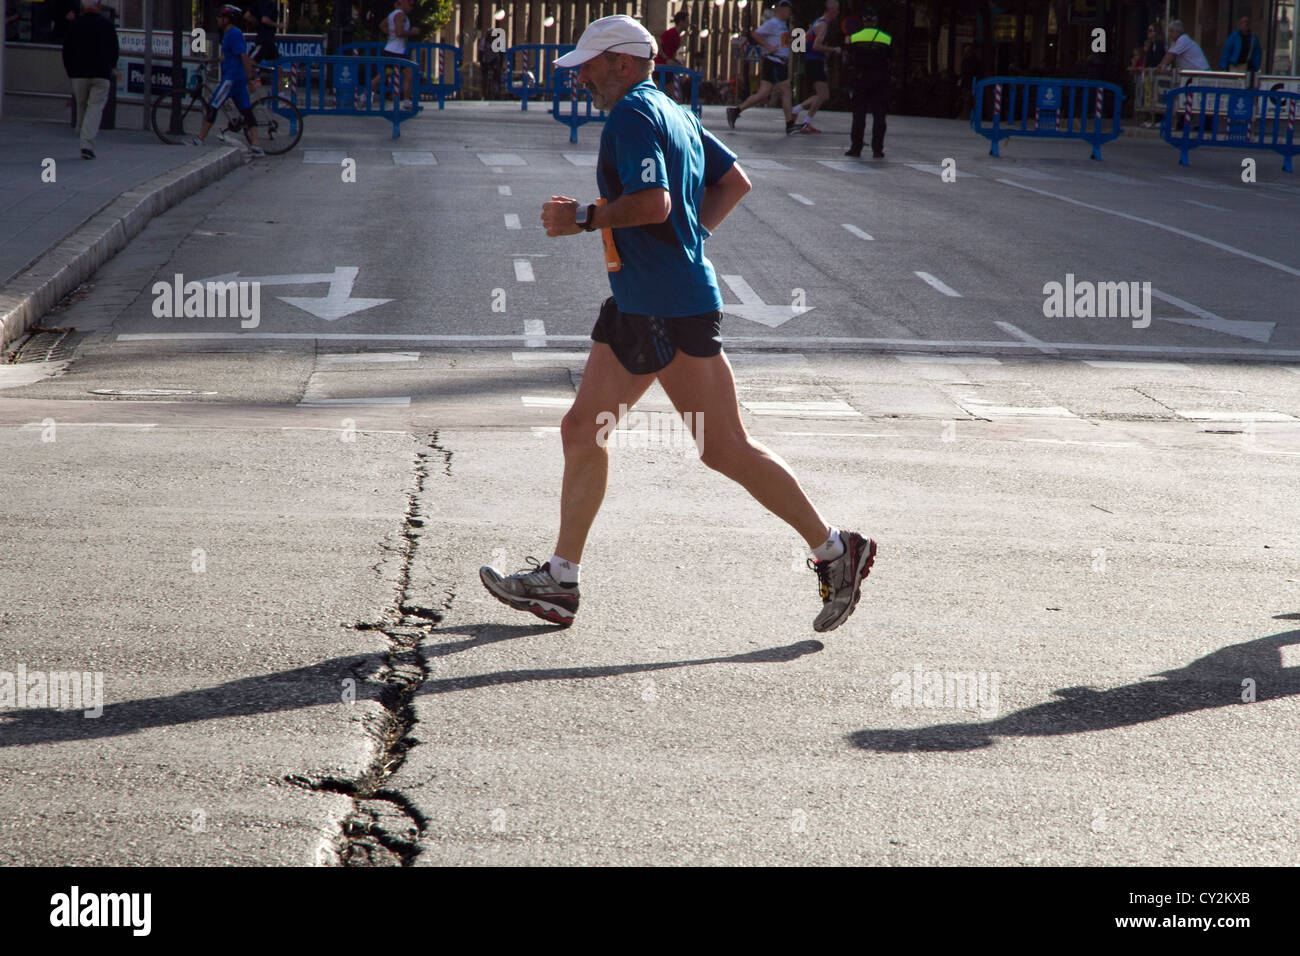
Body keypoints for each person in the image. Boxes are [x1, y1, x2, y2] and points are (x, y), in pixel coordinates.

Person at [478, 14, 877, 633]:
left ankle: (834, 549)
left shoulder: (633, 115)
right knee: (583, 427)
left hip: (667, 305)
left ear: (622, 62)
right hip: (640, 302)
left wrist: (582, 217)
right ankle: (560, 580)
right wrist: (689, 242)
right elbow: (733, 182)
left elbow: (655, 203)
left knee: (723, 448)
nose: (581, 76)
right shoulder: (674, 110)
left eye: (588, 64)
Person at [186, 5, 263, 155]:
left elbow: (244, 57)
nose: (217, 19)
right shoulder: (228, 35)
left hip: (232, 78)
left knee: (213, 105)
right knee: (246, 111)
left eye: (221, 17)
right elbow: (226, 56)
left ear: (228, 19)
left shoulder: (234, 34)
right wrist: (211, 61)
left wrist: (250, 79)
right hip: (236, 79)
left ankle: (199, 139)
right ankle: (256, 144)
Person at [727, 0, 800, 135]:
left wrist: (788, 41)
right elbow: (755, 34)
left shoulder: (783, 26)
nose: (790, 13)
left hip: (778, 61)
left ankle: (735, 111)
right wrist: (769, 48)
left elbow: (782, 44)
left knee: (763, 93)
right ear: (782, 10)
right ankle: (789, 124)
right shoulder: (773, 23)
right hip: (775, 62)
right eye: (788, 10)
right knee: (786, 91)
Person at [61, 0, 118, 160]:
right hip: (101, 74)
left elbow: (66, 50)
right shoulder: (107, 25)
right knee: (95, 107)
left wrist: (70, 71)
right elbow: (115, 49)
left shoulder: (75, 25)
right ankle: (86, 143)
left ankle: (81, 130)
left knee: (81, 103)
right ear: (98, 6)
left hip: (79, 73)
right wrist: (110, 67)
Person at [844, 7, 890, 158]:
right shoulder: (886, 39)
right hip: (880, 80)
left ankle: (856, 148)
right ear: (876, 20)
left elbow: (849, 59)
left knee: (858, 115)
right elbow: (890, 59)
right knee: (879, 116)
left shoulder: (855, 37)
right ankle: (877, 149)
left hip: (860, 79)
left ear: (863, 21)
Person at [791, 0, 839, 133]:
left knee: (823, 95)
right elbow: (816, 46)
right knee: (823, 95)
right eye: (837, 10)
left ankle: (797, 111)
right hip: (814, 61)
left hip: (812, 61)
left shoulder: (817, 22)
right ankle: (805, 121)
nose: (838, 13)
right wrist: (832, 49)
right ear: (832, 10)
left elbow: (806, 38)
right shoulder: (823, 25)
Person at [368, 0, 418, 109]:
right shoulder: (400, 15)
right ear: (403, 3)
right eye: (410, 4)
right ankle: (406, 101)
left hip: (391, 50)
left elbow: (382, 25)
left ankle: (364, 96)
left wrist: (390, 34)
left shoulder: (392, 14)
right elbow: (399, 33)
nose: (411, 7)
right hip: (396, 52)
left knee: (383, 76)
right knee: (409, 74)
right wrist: (412, 32)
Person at [654, 9, 688, 102]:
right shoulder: (671, 33)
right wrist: (666, 59)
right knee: (663, 91)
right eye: (686, 21)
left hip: (667, 67)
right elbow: (658, 43)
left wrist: (676, 62)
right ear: (681, 22)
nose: (688, 24)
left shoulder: (677, 36)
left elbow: (671, 53)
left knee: (672, 91)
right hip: (660, 66)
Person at [243, 0, 278, 67]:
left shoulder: (258, 3)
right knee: (251, 61)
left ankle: (259, 76)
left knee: (277, 63)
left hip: (267, 39)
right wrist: (278, 25)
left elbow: (246, 16)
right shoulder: (270, 4)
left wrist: (256, 21)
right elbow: (265, 20)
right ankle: (250, 76)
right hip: (264, 39)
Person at [477, 27, 503, 99]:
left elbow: (501, 54)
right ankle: (483, 93)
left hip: (494, 60)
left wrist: (500, 65)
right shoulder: (483, 42)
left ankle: (498, 92)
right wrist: (481, 63)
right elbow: (480, 53)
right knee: (484, 77)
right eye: (489, 35)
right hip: (486, 60)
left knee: (497, 76)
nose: (490, 37)